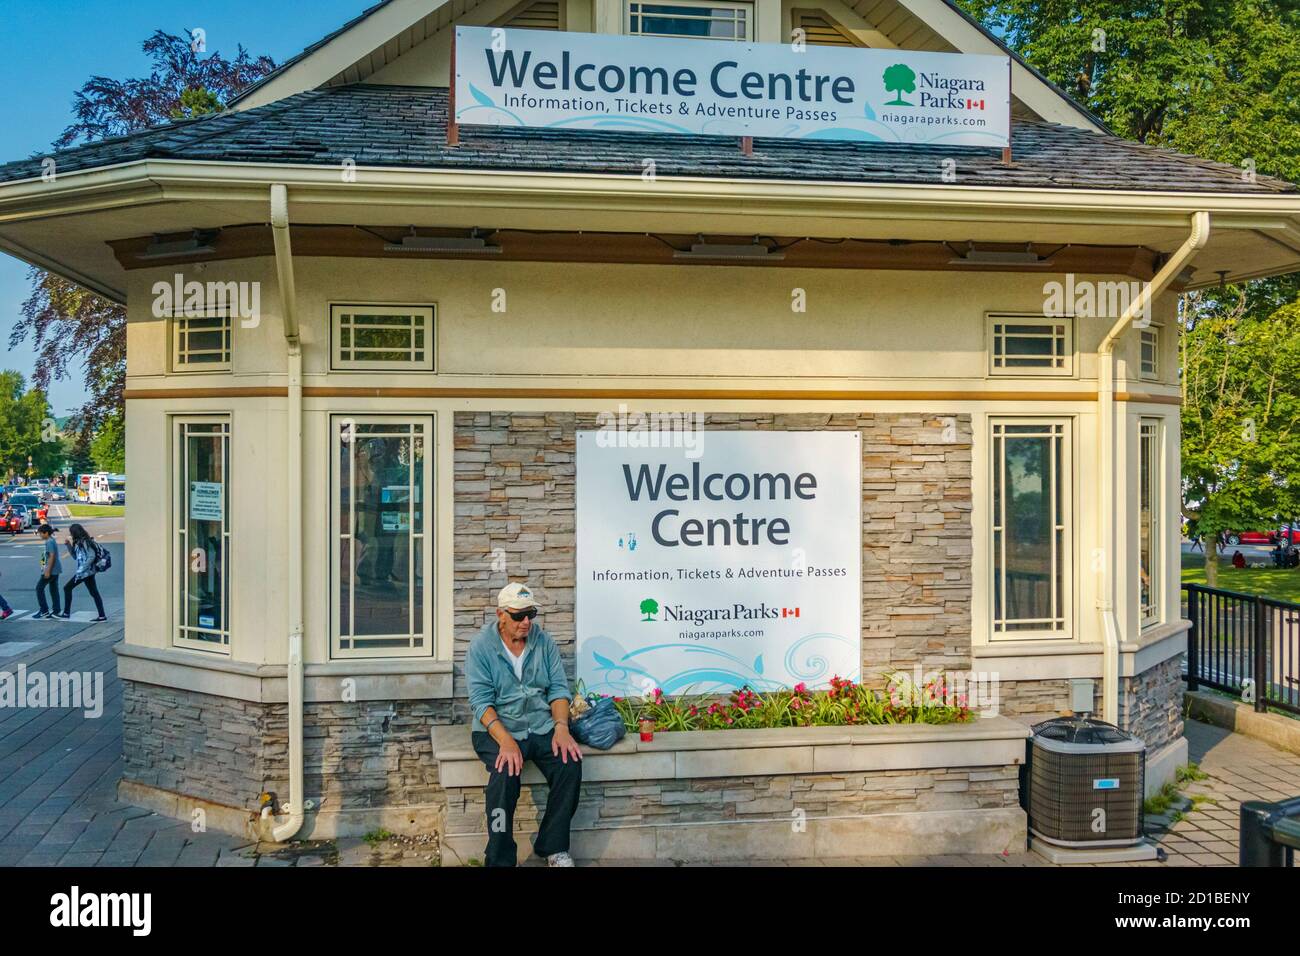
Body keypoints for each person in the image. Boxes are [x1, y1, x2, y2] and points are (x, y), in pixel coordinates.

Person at [465, 582, 582, 867]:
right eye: (518, 615)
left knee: (570, 764)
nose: (526, 622)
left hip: (541, 726)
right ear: (501, 615)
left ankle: (553, 847)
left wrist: (562, 728)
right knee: (504, 777)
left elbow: (557, 689)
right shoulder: (481, 648)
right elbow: (481, 702)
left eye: (531, 614)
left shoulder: (543, 642)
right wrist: (505, 741)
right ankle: (500, 857)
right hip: (497, 729)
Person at [58, 523, 106, 621]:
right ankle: (102, 615)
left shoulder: (85, 542)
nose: (71, 535)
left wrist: (82, 569)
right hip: (86, 572)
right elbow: (75, 556)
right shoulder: (79, 542)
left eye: (71, 533)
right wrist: (68, 545)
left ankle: (66, 613)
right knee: (94, 593)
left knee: (67, 588)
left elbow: (91, 556)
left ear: (75, 532)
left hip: (85, 572)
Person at [32, 523, 62, 619]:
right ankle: (56, 610)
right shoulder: (51, 540)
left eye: (41, 533)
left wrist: (47, 570)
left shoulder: (49, 542)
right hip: (56, 570)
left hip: (51, 570)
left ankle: (44, 610)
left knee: (39, 588)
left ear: (46, 533)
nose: (40, 535)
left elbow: (52, 556)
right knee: (53, 590)